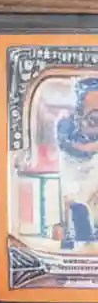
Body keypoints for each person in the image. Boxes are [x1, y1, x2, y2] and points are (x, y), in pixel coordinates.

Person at [57, 78, 98, 244]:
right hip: (73, 174)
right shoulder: (67, 123)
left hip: (93, 173)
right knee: (77, 210)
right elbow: (73, 147)